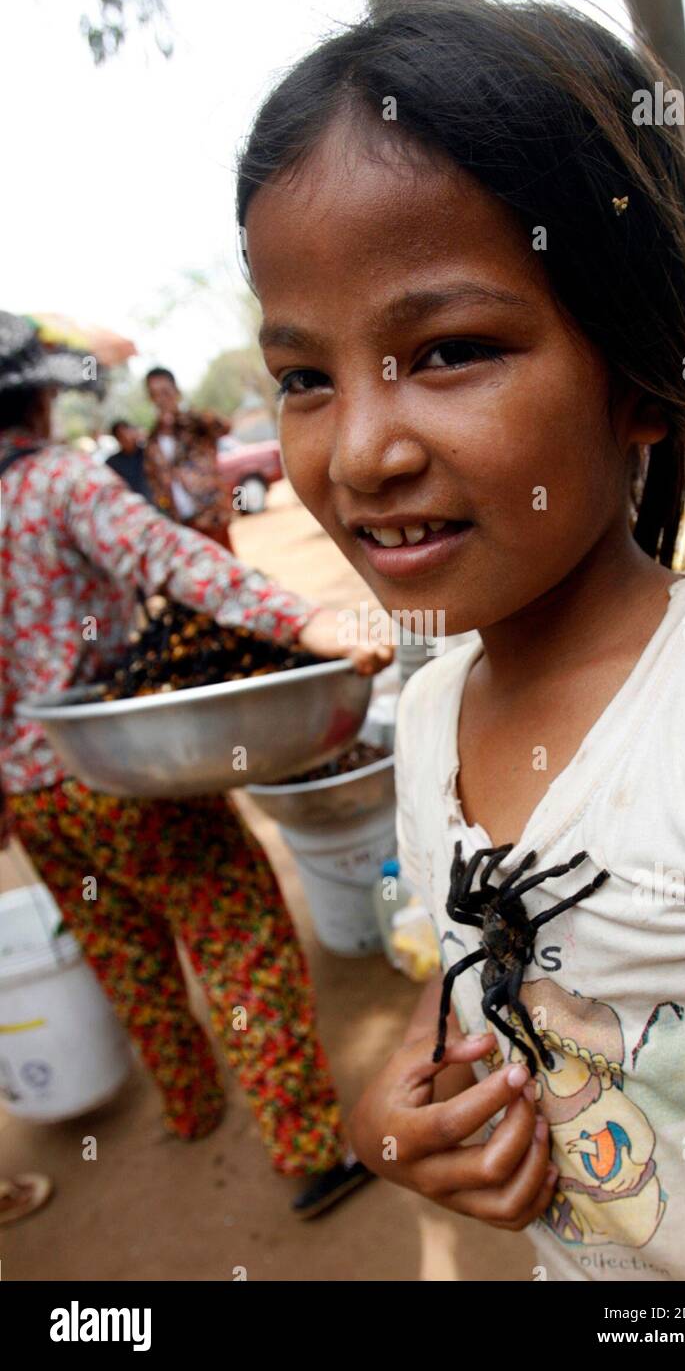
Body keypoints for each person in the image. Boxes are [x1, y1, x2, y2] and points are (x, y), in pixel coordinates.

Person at [234, 0, 685, 1278]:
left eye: (450, 349)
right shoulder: (425, 721)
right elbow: (483, 967)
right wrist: (395, 1108)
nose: (361, 451)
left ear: (639, 378)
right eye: (305, 378)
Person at [0, 310, 393, 1218]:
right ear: (40, 394)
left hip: (32, 795)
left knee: (123, 947)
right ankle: (307, 1153)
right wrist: (307, 623)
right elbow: (167, 554)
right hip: (110, 773)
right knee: (239, 932)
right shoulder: (57, 481)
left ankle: (190, 1102)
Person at [144, 366, 234, 551]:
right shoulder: (153, 439)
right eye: (155, 394)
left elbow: (224, 426)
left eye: (165, 392)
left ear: (176, 392)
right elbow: (155, 480)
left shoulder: (194, 423)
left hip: (211, 515)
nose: (161, 399)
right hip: (182, 523)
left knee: (224, 571)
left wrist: (183, 416)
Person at [105, 419, 153, 501]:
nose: (127, 438)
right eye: (122, 436)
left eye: (128, 433)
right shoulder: (112, 463)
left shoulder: (147, 453)